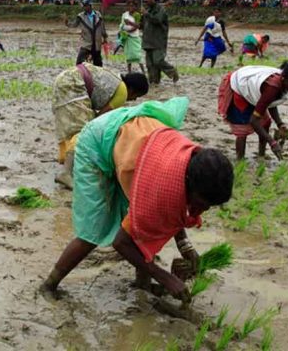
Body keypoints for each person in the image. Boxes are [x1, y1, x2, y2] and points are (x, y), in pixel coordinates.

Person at [40, 97, 234, 302]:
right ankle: (50, 284)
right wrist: (164, 276)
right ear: (188, 183)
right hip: (98, 139)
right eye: (202, 203)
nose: (203, 210)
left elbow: (174, 210)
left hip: (136, 139)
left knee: (143, 225)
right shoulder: (160, 187)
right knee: (94, 229)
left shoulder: (189, 161)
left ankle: (142, 285)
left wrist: (185, 246)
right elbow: (121, 242)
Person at [52, 64, 149, 187]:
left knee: (71, 124)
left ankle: (66, 160)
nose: (134, 100)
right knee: (84, 132)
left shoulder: (115, 79)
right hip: (75, 86)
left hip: (64, 79)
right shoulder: (123, 92)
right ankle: (65, 173)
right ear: (133, 89)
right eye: (137, 96)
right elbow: (99, 119)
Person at [217, 62, 288, 160]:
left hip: (253, 90)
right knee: (242, 129)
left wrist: (280, 124)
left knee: (265, 123)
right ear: (283, 78)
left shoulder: (280, 84)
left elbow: (271, 103)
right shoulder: (272, 88)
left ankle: (261, 156)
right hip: (240, 88)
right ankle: (240, 160)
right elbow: (253, 120)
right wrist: (272, 142)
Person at [141, 0, 178, 84]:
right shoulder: (147, 10)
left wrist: (146, 14)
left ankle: (172, 71)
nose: (145, 0)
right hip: (148, 41)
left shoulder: (161, 9)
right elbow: (142, 25)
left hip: (158, 41)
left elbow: (157, 20)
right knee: (150, 65)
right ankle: (154, 83)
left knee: (158, 61)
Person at [64, 0, 108, 66]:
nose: (84, 7)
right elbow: (74, 24)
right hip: (86, 43)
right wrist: (67, 23)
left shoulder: (98, 15)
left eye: (86, 6)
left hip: (97, 43)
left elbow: (102, 27)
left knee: (98, 64)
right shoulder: (81, 16)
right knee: (79, 62)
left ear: (90, 6)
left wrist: (105, 38)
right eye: (84, 6)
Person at [119, 0, 145, 73]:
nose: (131, 7)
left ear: (135, 7)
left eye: (132, 6)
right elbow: (121, 25)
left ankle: (143, 72)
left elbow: (137, 26)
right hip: (127, 38)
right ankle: (129, 72)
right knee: (128, 56)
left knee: (138, 55)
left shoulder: (137, 15)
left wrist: (129, 25)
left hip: (135, 37)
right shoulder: (124, 15)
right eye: (129, 6)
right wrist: (123, 30)